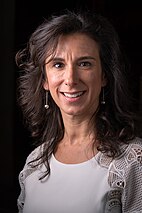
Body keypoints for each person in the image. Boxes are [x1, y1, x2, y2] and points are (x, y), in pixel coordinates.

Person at [15, 9, 142, 213]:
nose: (71, 79)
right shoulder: (33, 164)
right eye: (58, 64)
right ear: (45, 80)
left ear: (104, 76)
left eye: (84, 64)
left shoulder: (132, 162)